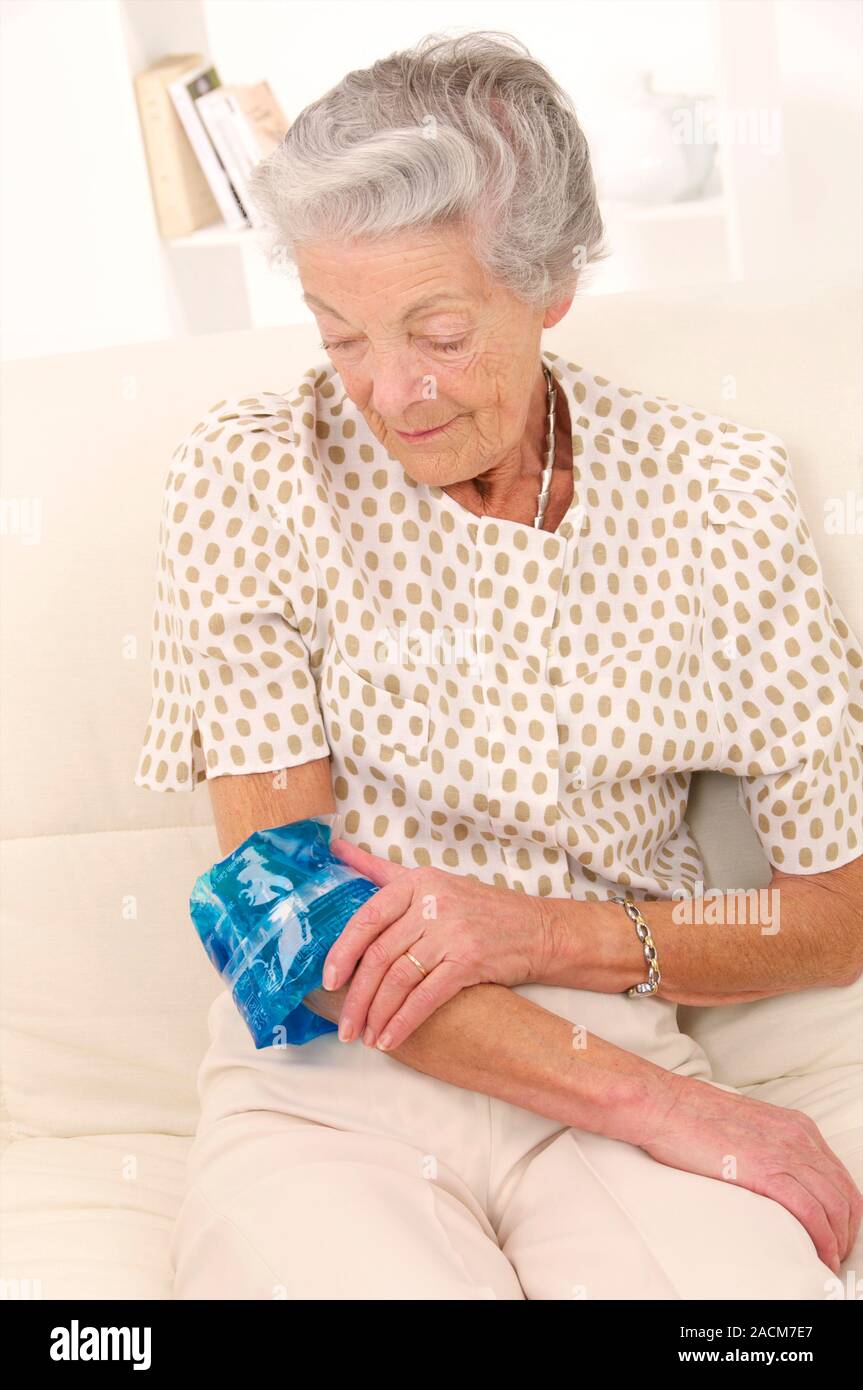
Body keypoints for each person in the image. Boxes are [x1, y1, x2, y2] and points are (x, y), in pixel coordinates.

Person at [134, 32, 863, 1299]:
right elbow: (282, 912)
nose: (389, 390)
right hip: (328, 1078)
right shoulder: (250, 473)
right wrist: (652, 1102)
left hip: (602, 1038)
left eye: (438, 329)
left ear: (551, 284)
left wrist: (539, 932)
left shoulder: (718, 498)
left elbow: (821, 917)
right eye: (339, 331)